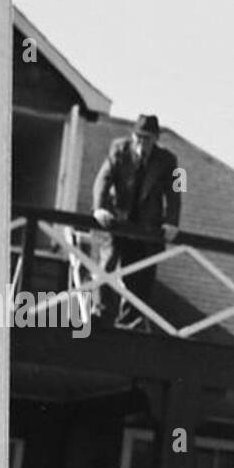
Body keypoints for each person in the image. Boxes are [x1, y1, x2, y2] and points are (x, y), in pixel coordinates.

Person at [92, 113, 181, 331]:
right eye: (139, 137)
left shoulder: (170, 161)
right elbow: (103, 178)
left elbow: (178, 190)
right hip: (117, 220)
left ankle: (130, 322)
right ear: (133, 136)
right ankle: (100, 313)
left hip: (146, 226)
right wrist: (100, 209)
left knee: (142, 272)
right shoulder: (118, 149)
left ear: (156, 139)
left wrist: (172, 221)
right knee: (107, 264)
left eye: (148, 138)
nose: (142, 143)